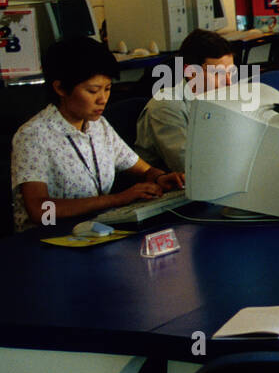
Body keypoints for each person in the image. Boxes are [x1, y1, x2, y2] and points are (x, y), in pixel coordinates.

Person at [10, 37, 185, 232]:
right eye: (93, 91)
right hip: (48, 241)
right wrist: (117, 199)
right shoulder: (33, 136)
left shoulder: (97, 125)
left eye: (108, 89)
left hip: (94, 232)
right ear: (60, 88)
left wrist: (160, 178)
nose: (103, 99)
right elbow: (41, 211)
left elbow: (142, 170)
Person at [135, 29, 237, 173]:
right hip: (172, 189)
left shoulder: (219, 97)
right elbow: (190, 167)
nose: (229, 82)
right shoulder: (166, 106)